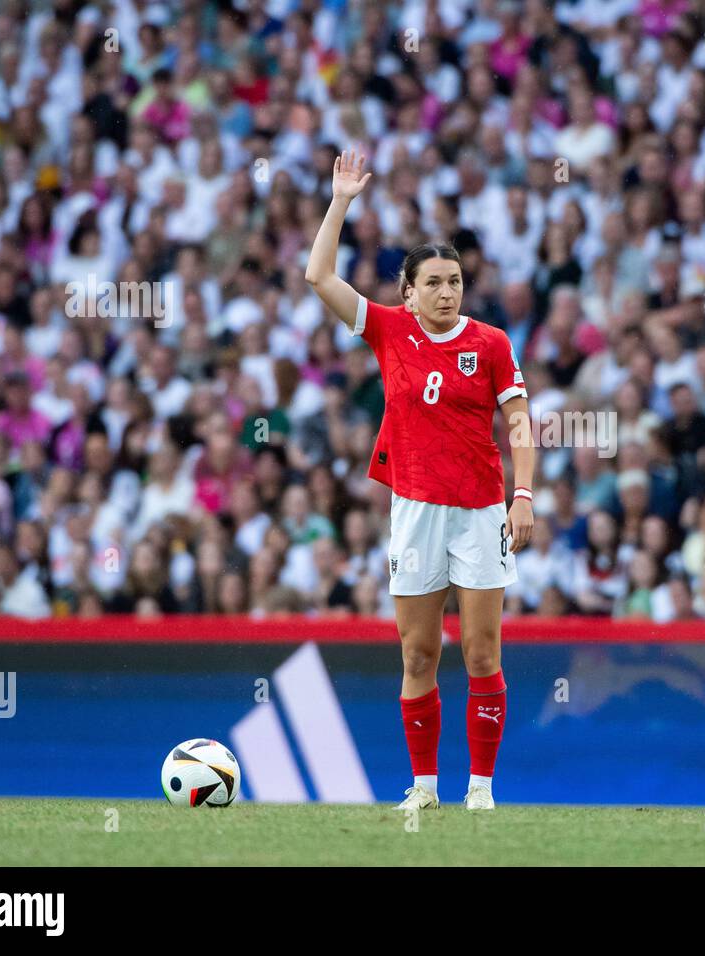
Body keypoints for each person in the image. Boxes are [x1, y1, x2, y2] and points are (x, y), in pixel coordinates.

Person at [305, 150, 535, 812]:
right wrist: (342, 201)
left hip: (480, 509)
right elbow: (318, 275)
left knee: (483, 652)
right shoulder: (389, 331)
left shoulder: (489, 343)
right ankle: (425, 787)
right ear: (407, 291)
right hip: (414, 512)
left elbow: (519, 423)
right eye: (432, 282)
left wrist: (522, 495)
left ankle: (482, 789)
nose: (445, 291)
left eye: (454, 280)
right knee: (417, 655)